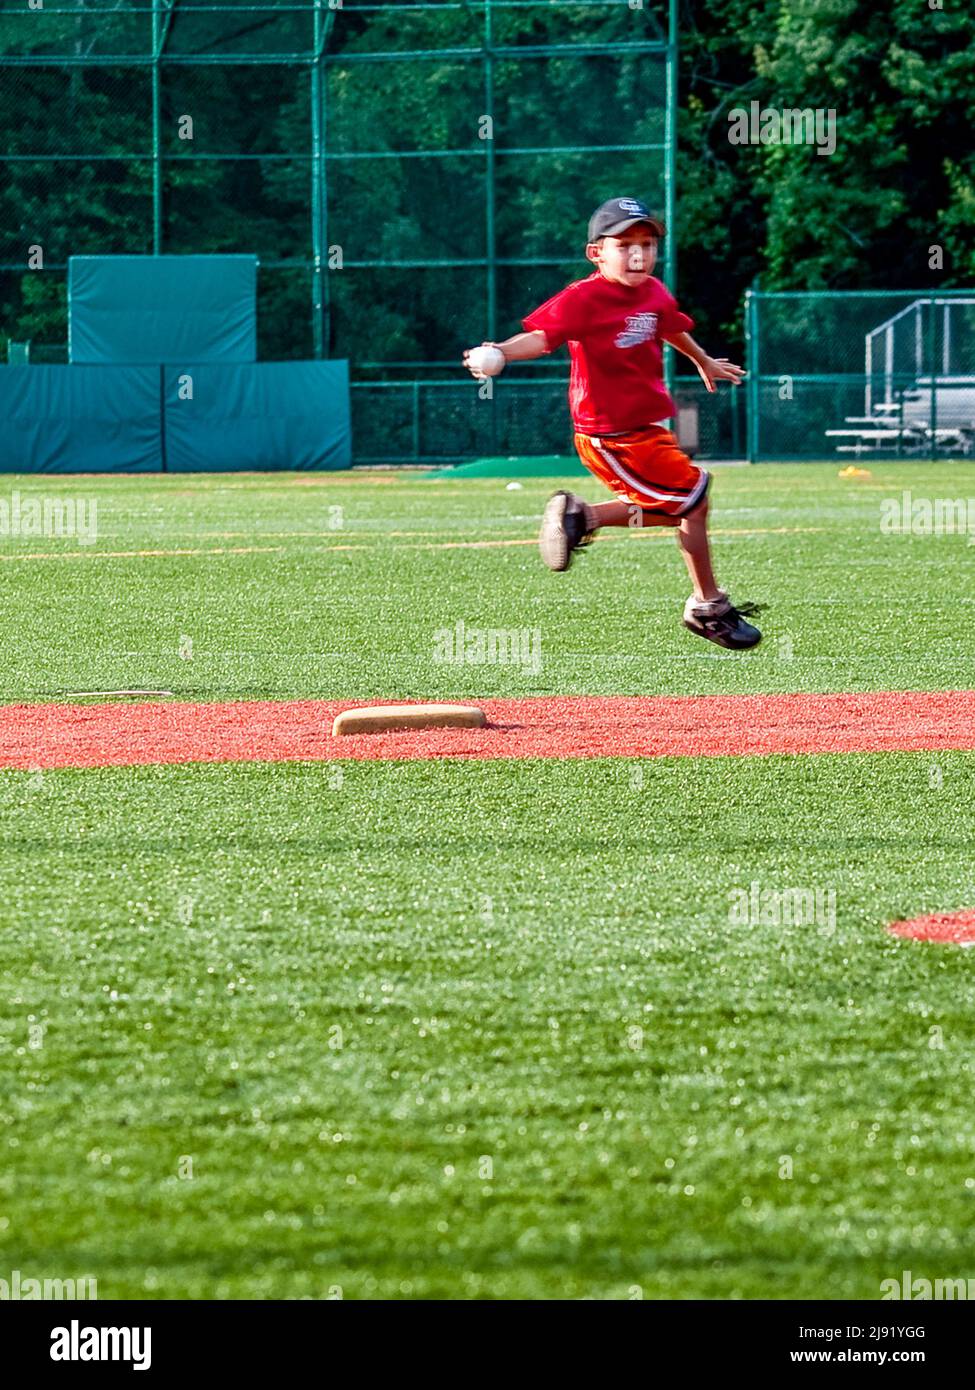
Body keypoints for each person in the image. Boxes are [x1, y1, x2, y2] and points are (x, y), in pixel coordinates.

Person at [463, 197, 761, 650]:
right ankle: (708, 606)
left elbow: (668, 324)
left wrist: (701, 359)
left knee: (676, 507)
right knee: (693, 502)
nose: (638, 254)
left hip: (646, 430)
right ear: (595, 253)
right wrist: (501, 351)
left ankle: (583, 517)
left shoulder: (653, 292)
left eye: (647, 243)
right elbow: (543, 337)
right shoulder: (584, 298)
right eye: (624, 244)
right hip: (608, 435)